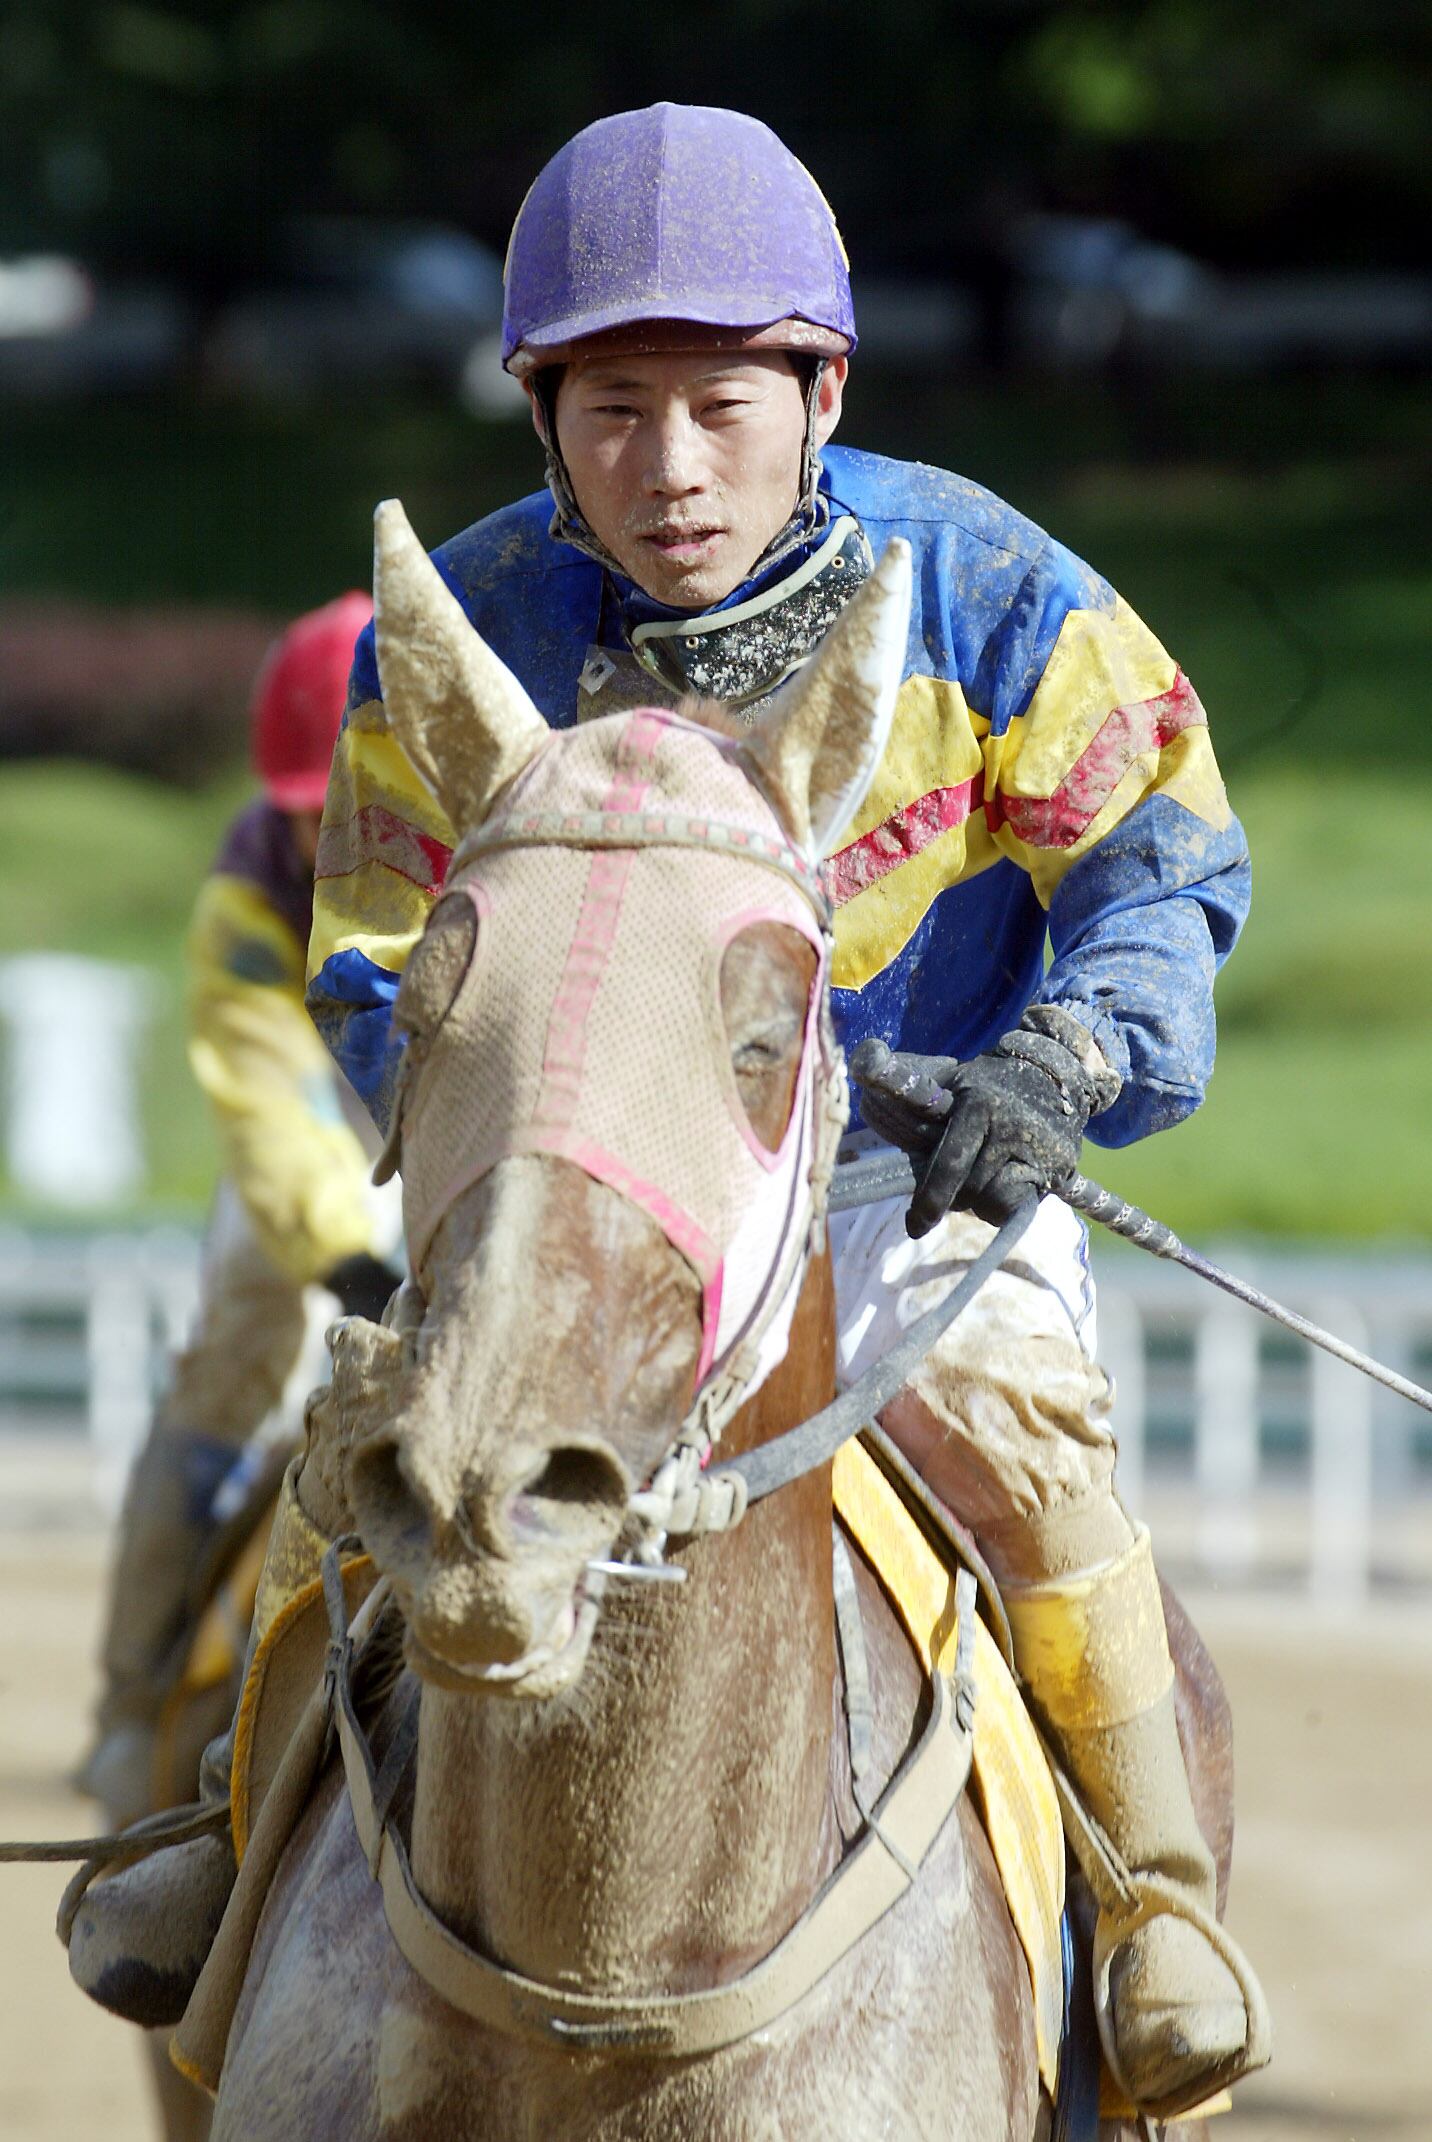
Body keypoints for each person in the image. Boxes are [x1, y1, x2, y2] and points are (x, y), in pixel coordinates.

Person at [74, 105, 1265, 2119]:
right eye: (611, 411)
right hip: (582, 1194)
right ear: (541, 414)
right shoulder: (450, 640)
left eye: (720, 404)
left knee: (1034, 1445)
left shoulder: (991, 588)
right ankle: (226, 1829)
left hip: (908, 1193)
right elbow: (371, 943)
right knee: (358, 1457)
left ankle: (1147, 1910)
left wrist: (1056, 1068)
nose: (670, 468)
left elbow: (1161, 869)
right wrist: (478, 1140)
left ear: (820, 389)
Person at [81, 591, 401, 1834]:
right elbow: (272, 1111)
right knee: (235, 1352)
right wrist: (350, 1258)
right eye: (307, 813)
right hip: (319, 1132)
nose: (331, 840)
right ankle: (129, 1704)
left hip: (466, 1104)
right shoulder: (245, 902)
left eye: (353, 805)